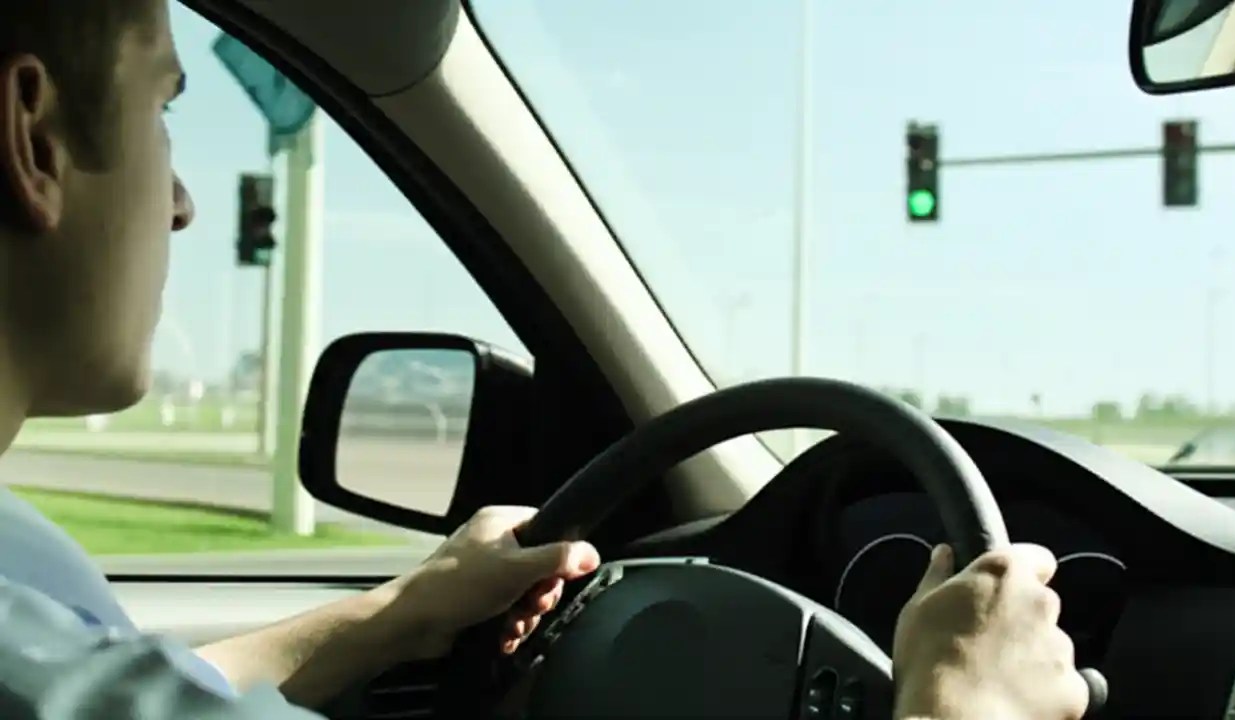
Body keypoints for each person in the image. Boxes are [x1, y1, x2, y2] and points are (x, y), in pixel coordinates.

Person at [0, 1, 1087, 718]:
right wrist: (966, 702)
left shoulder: (24, 581)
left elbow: (142, 692)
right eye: (165, 112)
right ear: (36, 139)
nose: (183, 202)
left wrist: (407, 611)